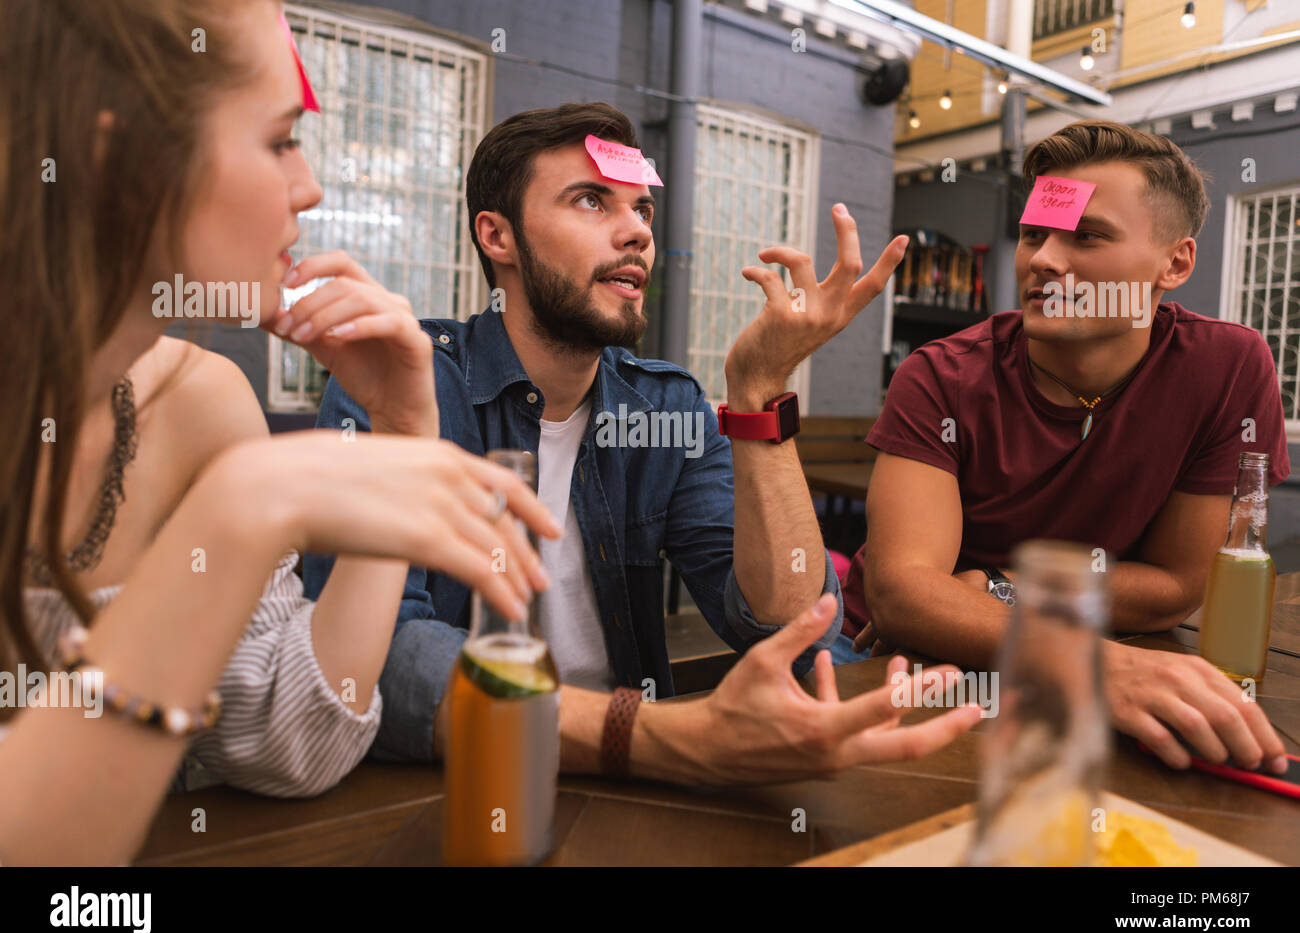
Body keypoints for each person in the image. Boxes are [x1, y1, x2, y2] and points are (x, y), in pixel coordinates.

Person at [1, 0, 559, 864]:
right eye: (279, 140)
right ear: (121, 168)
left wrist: (402, 431)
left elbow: (293, 742)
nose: (311, 187)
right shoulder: (232, 464)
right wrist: (237, 510)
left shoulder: (201, 399)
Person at [306, 102, 983, 782]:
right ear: (497, 237)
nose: (635, 231)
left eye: (642, 210)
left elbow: (781, 618)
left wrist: (757, 390)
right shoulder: (402, 381)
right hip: (457, 781)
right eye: (593, 201)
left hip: (626, 788)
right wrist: (662, 732)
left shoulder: (664, 406)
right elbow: (375, 660)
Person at [840, 119, 1291, 776]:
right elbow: (905, 597)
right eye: (1032, 235)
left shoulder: (1227, 366)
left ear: (1177, 262)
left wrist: (998, 587)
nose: (1043, 260)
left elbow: (1175, 586)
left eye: (1087, 236)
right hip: (903, 662)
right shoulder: (941, 374)